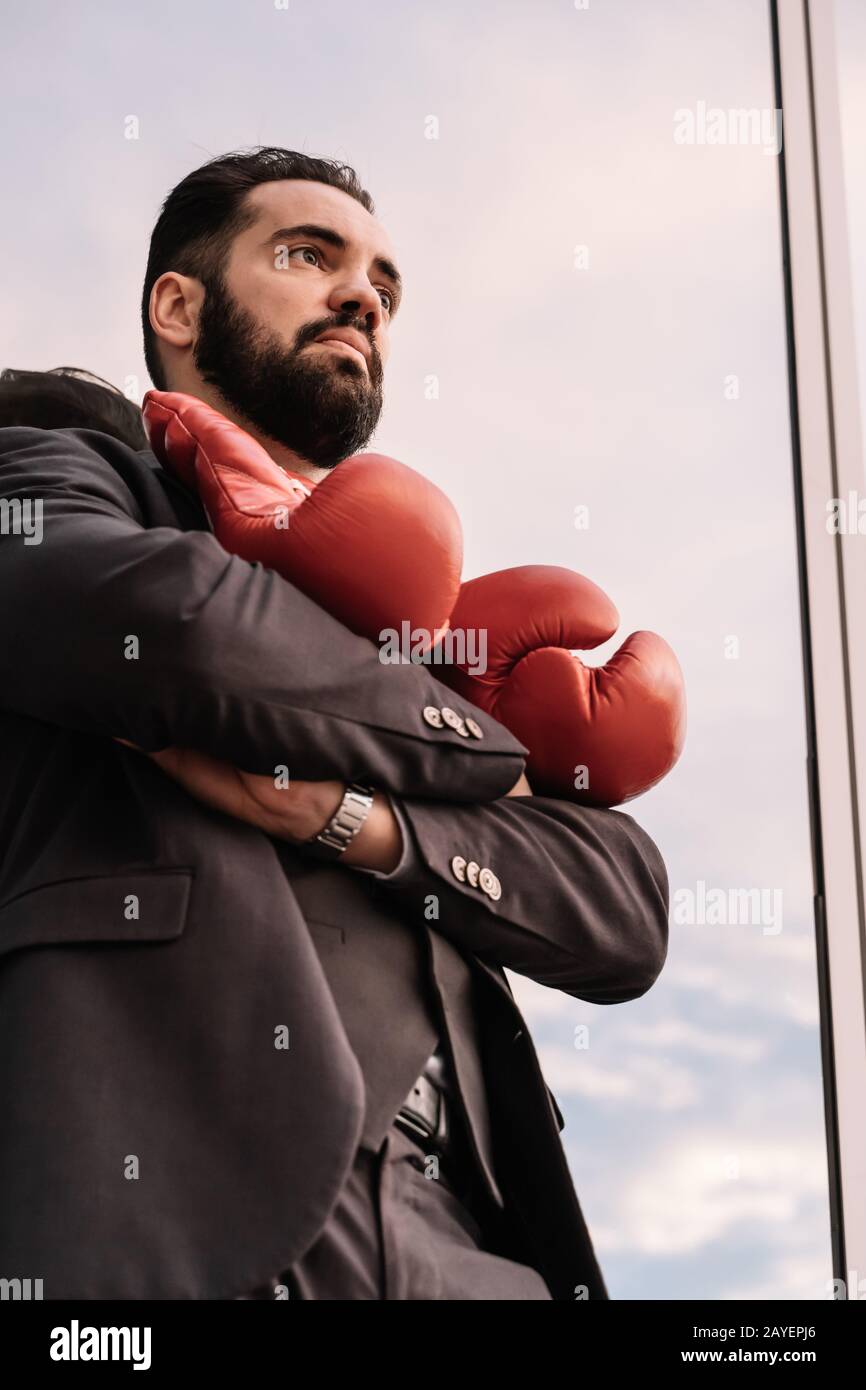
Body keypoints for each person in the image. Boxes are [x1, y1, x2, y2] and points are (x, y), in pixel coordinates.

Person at [0, 146, 670, 1301]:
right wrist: (490, 760)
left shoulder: (425, 635)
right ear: (178, 305)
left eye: (385, 283)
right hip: (182, 1222)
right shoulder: (58, 461)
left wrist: (352, 812)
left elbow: (622, 903)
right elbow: (186, 631)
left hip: (472, 1245)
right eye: (308, 254)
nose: (361, 293)